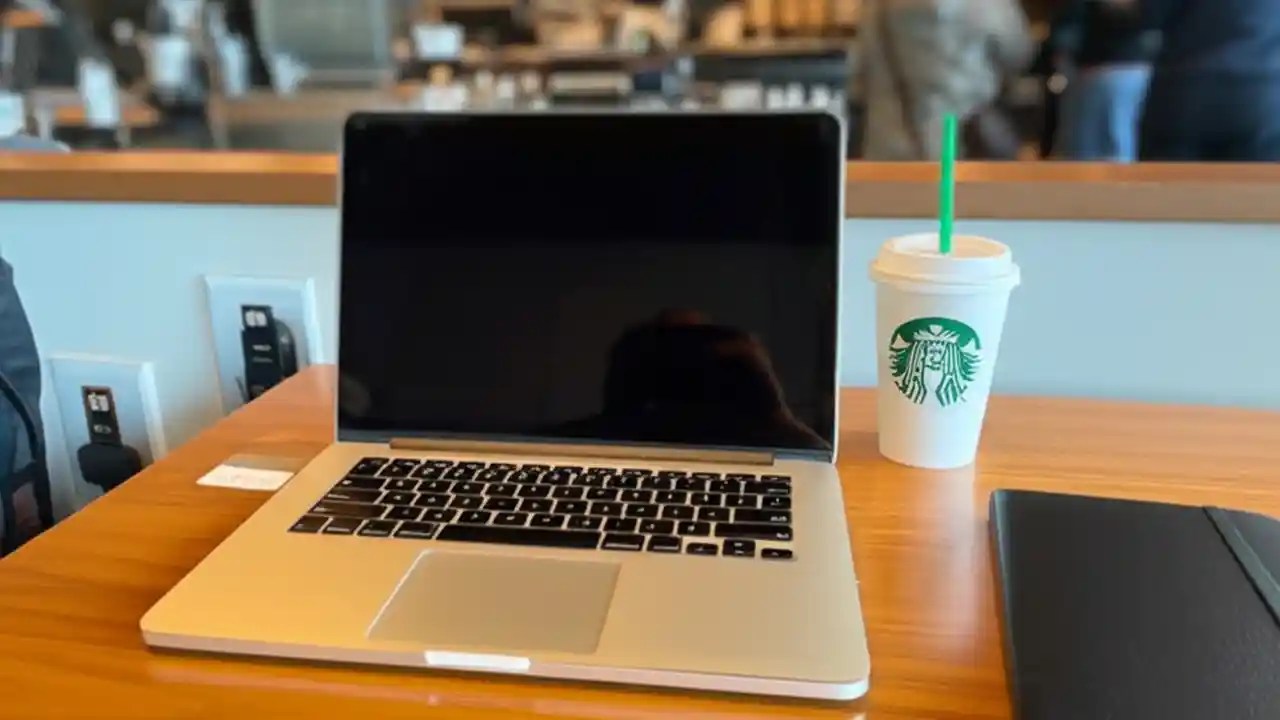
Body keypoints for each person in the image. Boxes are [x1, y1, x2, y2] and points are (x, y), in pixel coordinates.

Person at [858, 0, 1033, 160]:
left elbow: (860, 65)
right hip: (964, 141)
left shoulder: (879, 6)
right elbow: (1018, 53)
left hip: (890, 146)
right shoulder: (988, 5)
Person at [1140, 0, 1280, 161]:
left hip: (1185, 92)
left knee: (1170, 182)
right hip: (1264, 93)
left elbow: (1147, 15)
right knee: (1260, 183)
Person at [1049, 0, 1157, 161]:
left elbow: (1067, 36)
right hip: (1141, 70)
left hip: (1095, 72)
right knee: (1123, 148)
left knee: (1085, 154)